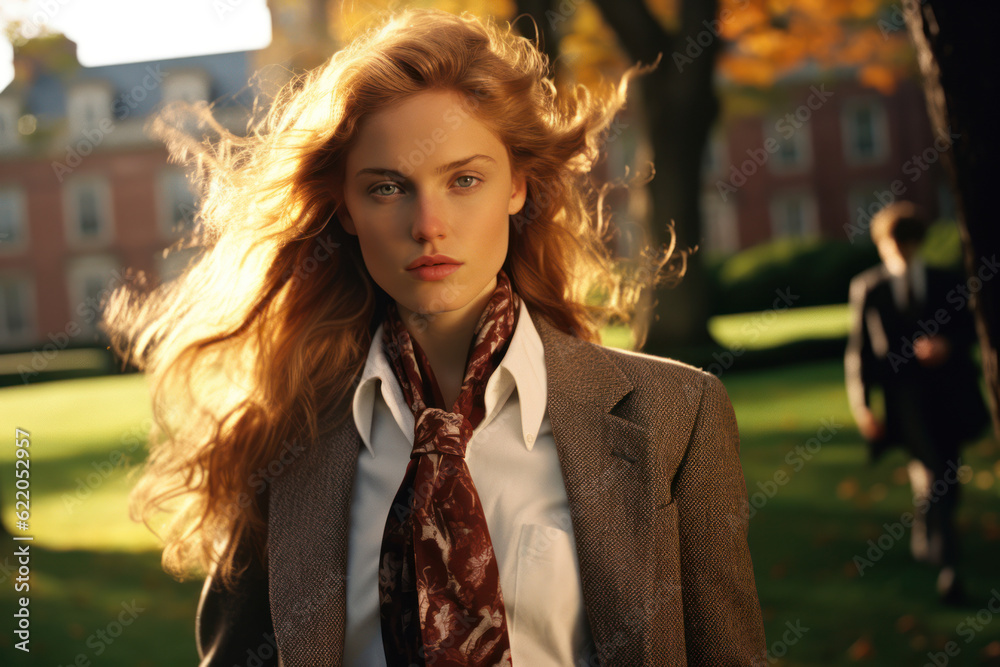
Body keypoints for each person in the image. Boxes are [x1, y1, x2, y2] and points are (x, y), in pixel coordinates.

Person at [103, 8, 766, 665]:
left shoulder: (676, 414)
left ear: (517, 185)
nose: (428, 223)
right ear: (346, 209)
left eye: (464, 180)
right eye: (388, 187)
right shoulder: (280, 441)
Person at [845, 200, 989, 604]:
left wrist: (946, 346)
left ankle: (931, 537)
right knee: (936, 467)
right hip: (904, 399)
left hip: (948, 395)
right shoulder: (870, 288)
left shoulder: (946, 281)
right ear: (882, 246)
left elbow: (968, 331)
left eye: (908, 245)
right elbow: (858, 352)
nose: (901, 254)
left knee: (943, 470)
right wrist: (863, 406)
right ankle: (949, 566)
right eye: (894, 245)